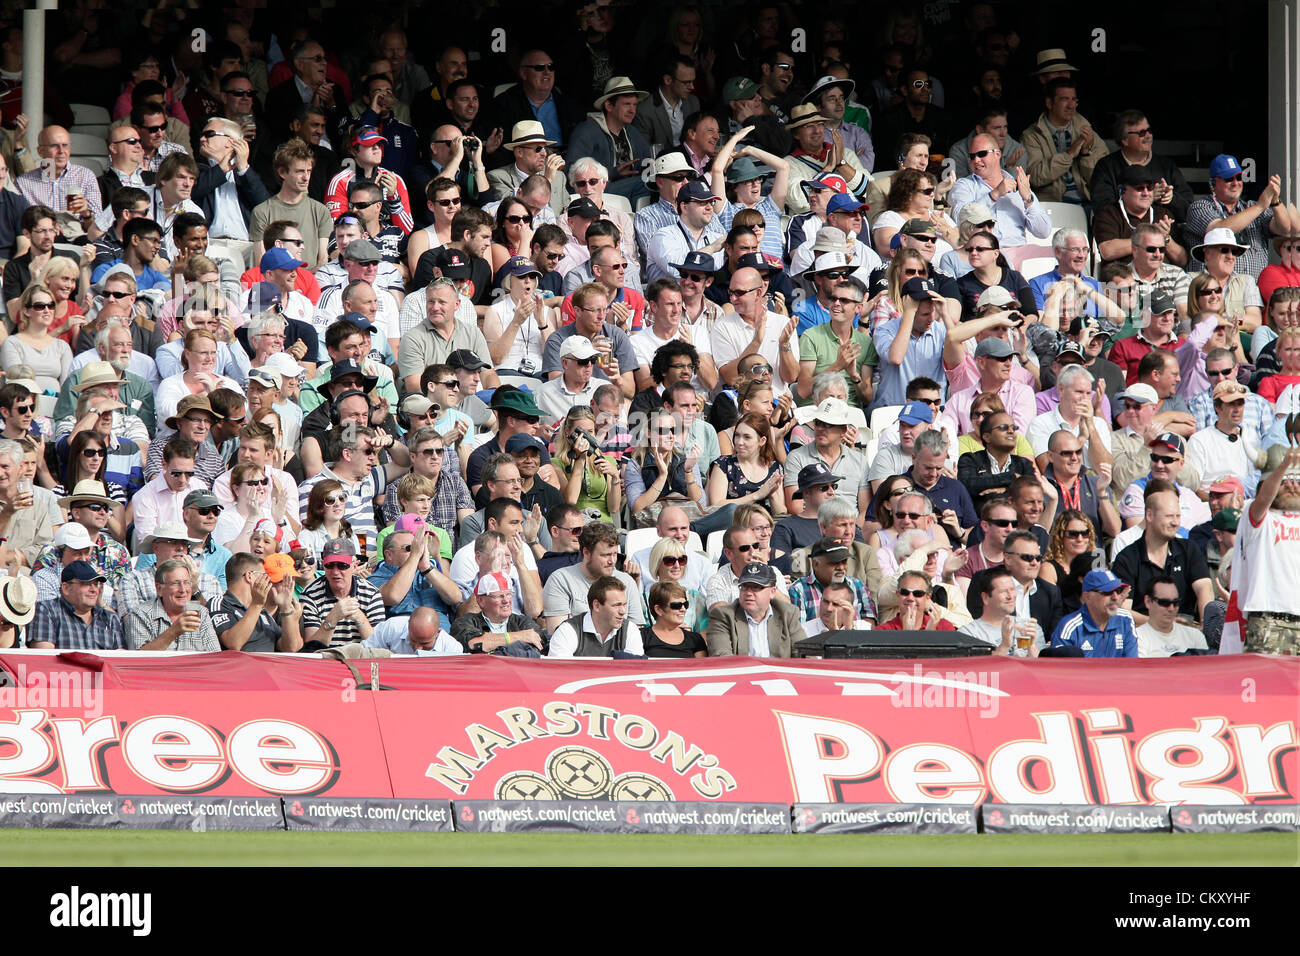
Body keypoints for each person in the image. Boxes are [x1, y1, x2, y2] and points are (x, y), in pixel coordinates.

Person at [1113, 485, 1213, 623]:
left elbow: (1204, 589)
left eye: (1178, 516)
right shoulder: (1127, 558)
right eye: (1169, 516)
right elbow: (1124, 611)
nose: (1175, 522)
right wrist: (1163, 623)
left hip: (1187, 632)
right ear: (1149, 515)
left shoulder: (1189, 549)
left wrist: (1206, 625)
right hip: (1143, 636)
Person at [1185, 154, 1292, 280]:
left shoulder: (1251, 206)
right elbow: (1219, 230)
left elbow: (1284, 228)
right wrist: (1260, 206)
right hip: (1212, 291)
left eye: (1239, 177)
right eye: (1228, 179)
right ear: (1213, 183)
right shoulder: (1200, 207)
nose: (1235, 183)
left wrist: (1275, 201)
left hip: (1254, 291)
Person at [947, 133, 1051, 259]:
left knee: (1056, 254)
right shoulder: (964, 185)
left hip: (1019, 253)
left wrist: (1028, 199)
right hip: (981, 253)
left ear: (997, 154)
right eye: (972, 156)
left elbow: (1044, 232)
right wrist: (994, 194)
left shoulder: (1019, 184)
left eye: (981, 154)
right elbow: (960, 219)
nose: (976, 160)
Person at [1088, 110, 1194, 220]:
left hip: (1163, 232)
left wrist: (1171, 198)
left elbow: (1189, 209)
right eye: (1142, 133)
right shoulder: (1106, 167)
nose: (1148, 136)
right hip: (1122, 233)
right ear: (1125, 140)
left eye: (1149, 131)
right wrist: (1146, 198)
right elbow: (1102, 209)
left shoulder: (1167, 166)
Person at [542, 521, 644, 633]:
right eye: (605, 555)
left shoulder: (627, 582)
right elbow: (556, 633)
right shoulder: (560, 580)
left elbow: (635, 631)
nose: (612, 561)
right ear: (586, 553)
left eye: (614, 554)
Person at [705, 561, 805, 657]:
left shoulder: (787, 614)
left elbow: (805, 656)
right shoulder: (723, 616)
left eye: (756, 587)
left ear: (772, 592)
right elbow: (722, 658)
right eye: (744, 586)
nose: (748, 593)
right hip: (741, 673)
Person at [300, 538, 385, 646]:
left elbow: (378, 646)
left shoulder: (371, 593)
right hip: (325, 659)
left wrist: (359, 617)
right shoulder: (310, 595)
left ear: (355, 566)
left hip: (360, 659)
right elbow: (312, 647)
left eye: (342, 565)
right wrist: (333, 617)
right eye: (330, 565)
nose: (335, 572)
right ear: (323, 566)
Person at [123, 558, 221, 652]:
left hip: (195, 669)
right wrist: (173, 631)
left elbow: (214, 654)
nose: (183, 590)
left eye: (186, 583)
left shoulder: (200, 612)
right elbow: (139, 658)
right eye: (175, 583)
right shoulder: (141, 614)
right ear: (159, 589)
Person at [27, 561, 126, 650]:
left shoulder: (110, 618)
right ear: (66, 588)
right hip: (63, 670)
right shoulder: (47, 610)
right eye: (86, 584)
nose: (93, 589)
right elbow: (44, 660)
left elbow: (121, 662)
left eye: (96, 584)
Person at [550, 406, 621, 522]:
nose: (586, 437)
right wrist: (580, 460)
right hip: (577, 525)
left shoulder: (607, 461)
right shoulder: (556, 464)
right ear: (568, 431)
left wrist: (615, 477)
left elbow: (614, 508)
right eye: (580, 432)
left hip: (603, 526)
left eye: (590, 432)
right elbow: (570, 501)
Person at [449, 573, 545, 656]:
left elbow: (538, 644)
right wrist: (520, 637)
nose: (506, 600)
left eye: (509, 594)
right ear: (481, 601)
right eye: (499, 596)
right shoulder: (465, 622)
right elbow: (472, 644)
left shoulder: (523, 622)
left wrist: (492, 643)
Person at [787, 535, 875, 625]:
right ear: (816, 564)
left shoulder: (858, 585)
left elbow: (870, 625)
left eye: (844, 562)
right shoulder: (798, 590)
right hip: (815, 639)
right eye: (834, 562)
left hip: (855, 638)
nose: (841, 567)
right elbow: (798, 632)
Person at [1050, 569, 1138, 658]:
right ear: (1087, 597)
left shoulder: (1125, 619)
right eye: (1107, 592)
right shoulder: (1070, 626)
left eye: (1119, 591)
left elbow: (1132, 665)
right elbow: (1059, 668)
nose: (1115, 597)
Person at [959, 568, 1042, 655]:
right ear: (985, 597)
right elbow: (977, 668)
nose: (1010, 596)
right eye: (1003, 591)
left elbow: (1042, 667)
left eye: (1013, 589)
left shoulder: (1030, 628)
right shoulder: (968, 634)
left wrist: (1030, 646)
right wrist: (1004, 646)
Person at [1134, 574, 1208, 657]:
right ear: (1148, 601)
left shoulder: (1195, 636)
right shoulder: (1136, 637)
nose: (1171, 608)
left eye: (1175, 603)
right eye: (1164, 602)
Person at [642, 579, 708, 658]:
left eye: (685, 604)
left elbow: (701, 668)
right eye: (676, 605)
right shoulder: (642, 637)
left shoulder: (695, 639)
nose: (683, 609)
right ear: (659, 610)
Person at [874, 569, 958, 631]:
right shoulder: (883, 631)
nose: (910, 598)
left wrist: (931, 634)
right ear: (898, 594)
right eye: (905, 592)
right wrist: (907, 636)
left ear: (928, 597)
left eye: (918, 593)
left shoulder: (944, 627)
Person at [365, 605, 464, 657]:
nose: (418, 648)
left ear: (438, 633)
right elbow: (364, 652)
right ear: (408, 626)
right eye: (413, 640)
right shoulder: (392, 627)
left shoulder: (452, 649)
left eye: (425, 643)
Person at [538, 503, 585, 584]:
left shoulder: (590, 558)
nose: (580, 535)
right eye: (576, 530)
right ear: (555, 531)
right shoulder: (541, 567)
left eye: (583, 530)